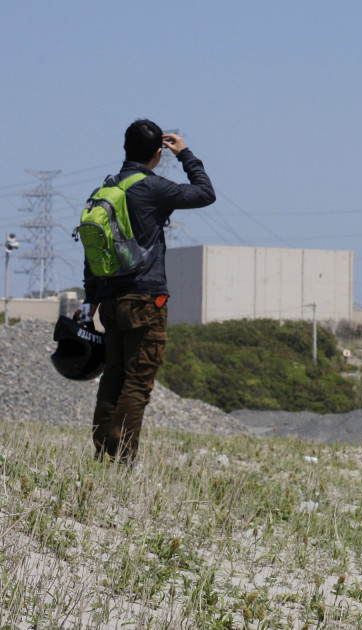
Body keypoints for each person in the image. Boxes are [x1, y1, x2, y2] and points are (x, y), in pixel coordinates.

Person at [80, 119, 215, 465]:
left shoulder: (105, 189)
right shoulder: (152, 188)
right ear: (158, 153)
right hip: (145, 300)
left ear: (125, 149)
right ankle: (122, 453)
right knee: (139, 380)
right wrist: (185, 154)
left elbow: (92, 247)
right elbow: (205, 193)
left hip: (109, 299)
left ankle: (101, 451)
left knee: (114, 375)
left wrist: (92, 297)